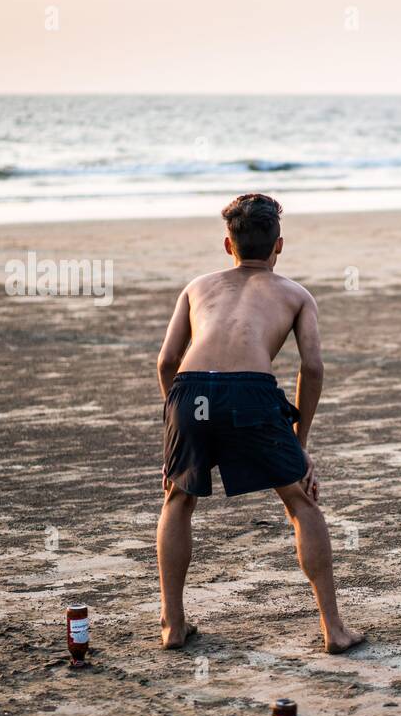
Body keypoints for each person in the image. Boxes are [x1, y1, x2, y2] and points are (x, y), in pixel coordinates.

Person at [155, 193, 366, 654]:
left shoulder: (197, 287)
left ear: (228, 246)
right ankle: (334, 630)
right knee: (301, 502)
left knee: (178, 498)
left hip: (191, 390)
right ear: (280, 246)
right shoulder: (295, 294)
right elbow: (312, 369)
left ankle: (173, 625)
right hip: (250, 391)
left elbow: (167, 361)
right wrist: (300, 442)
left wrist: (176, 428)